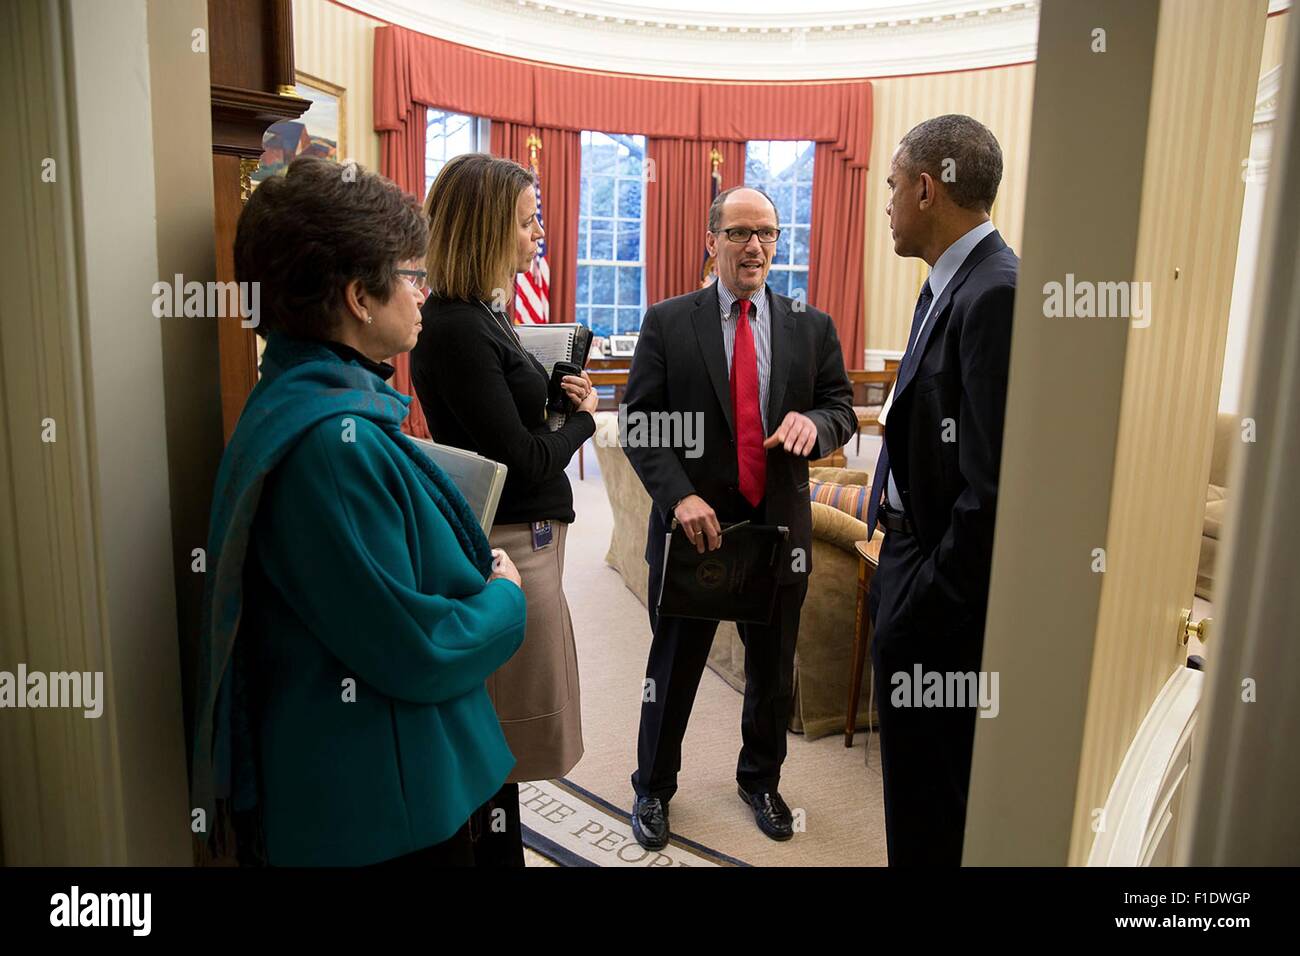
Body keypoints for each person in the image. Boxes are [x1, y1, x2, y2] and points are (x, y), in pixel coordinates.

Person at [190, 156, 527, 867]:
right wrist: (504, 598)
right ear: (358, 298)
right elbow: (416, 646)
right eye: (411, 275)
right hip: (381, 812)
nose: (424, 294)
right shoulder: (331, 448)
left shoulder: (302, 401)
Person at [622, 185, 857, 849]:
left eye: (768, 234)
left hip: (779, 531)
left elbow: (840, 403)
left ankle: (761, 780)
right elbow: (640, 422)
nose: (755, 246)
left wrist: (816, 422)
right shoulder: (670, 322)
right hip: (696, 533)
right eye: (739, 233)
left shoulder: (811, 324)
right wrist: (678, 496)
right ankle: (652, 787)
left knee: (772, 673)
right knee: (671, 673)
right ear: (712, 240)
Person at [410, 153, 597, 865]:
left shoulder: (481, 317)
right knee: (501, 740)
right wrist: (584, 419)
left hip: (529, 533)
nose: (537, 235)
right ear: (488, 229)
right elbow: (524, 459)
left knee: (505, 744)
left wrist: (548, 393)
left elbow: (505, 418)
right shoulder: (458, 327)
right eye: (526, 222)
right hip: (512, 542)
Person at [866, 114, 1019, 866]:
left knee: (935, 803)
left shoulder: (995, 293)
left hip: (940, 603)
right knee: (914, 792)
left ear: (928, 188)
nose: (888, 203)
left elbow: (994, 490)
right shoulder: (947, 285)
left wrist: (924, 598)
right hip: (907, 562)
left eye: (893, 186)